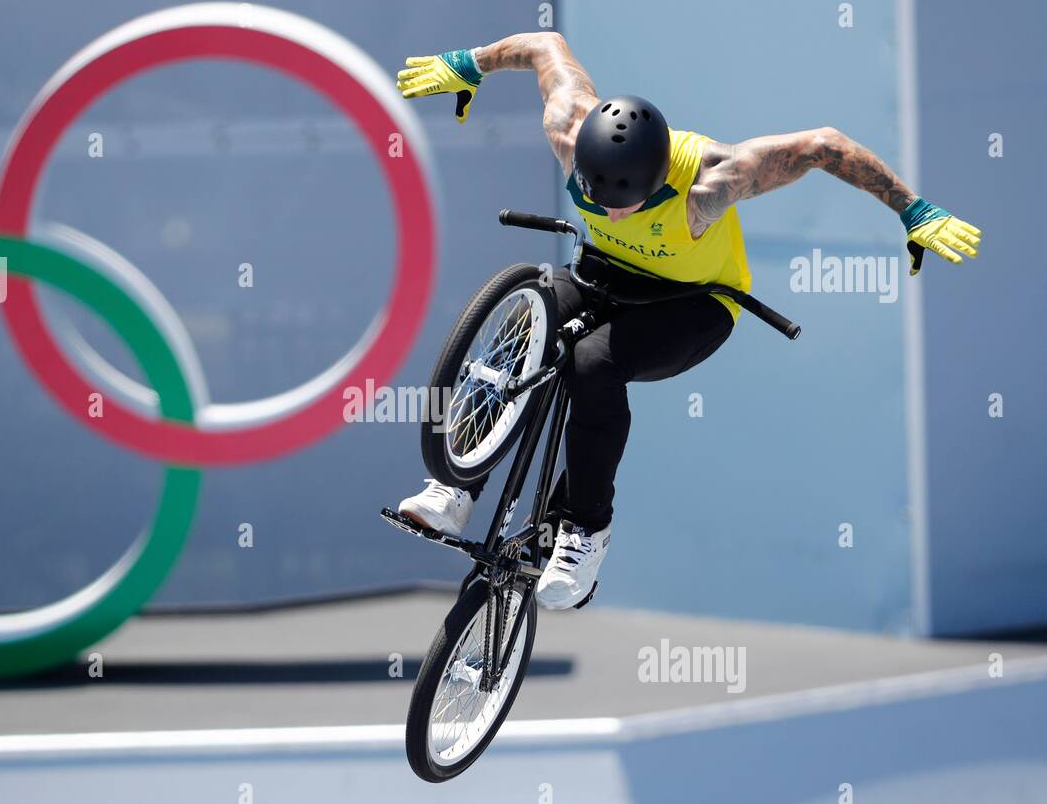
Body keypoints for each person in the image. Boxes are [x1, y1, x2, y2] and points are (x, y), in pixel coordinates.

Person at [393, 32, 981, 610]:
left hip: (691, 304)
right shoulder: (568, 128)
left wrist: (912, 208)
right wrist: (469, 63)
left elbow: (822, 145)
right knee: (531, 319)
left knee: (593, 362)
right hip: (603, 273)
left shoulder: (712, 180)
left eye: (627, 202)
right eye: (598, 199)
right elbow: (545, 45)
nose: (612, 210)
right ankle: (457, 482)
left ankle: (585, 531)